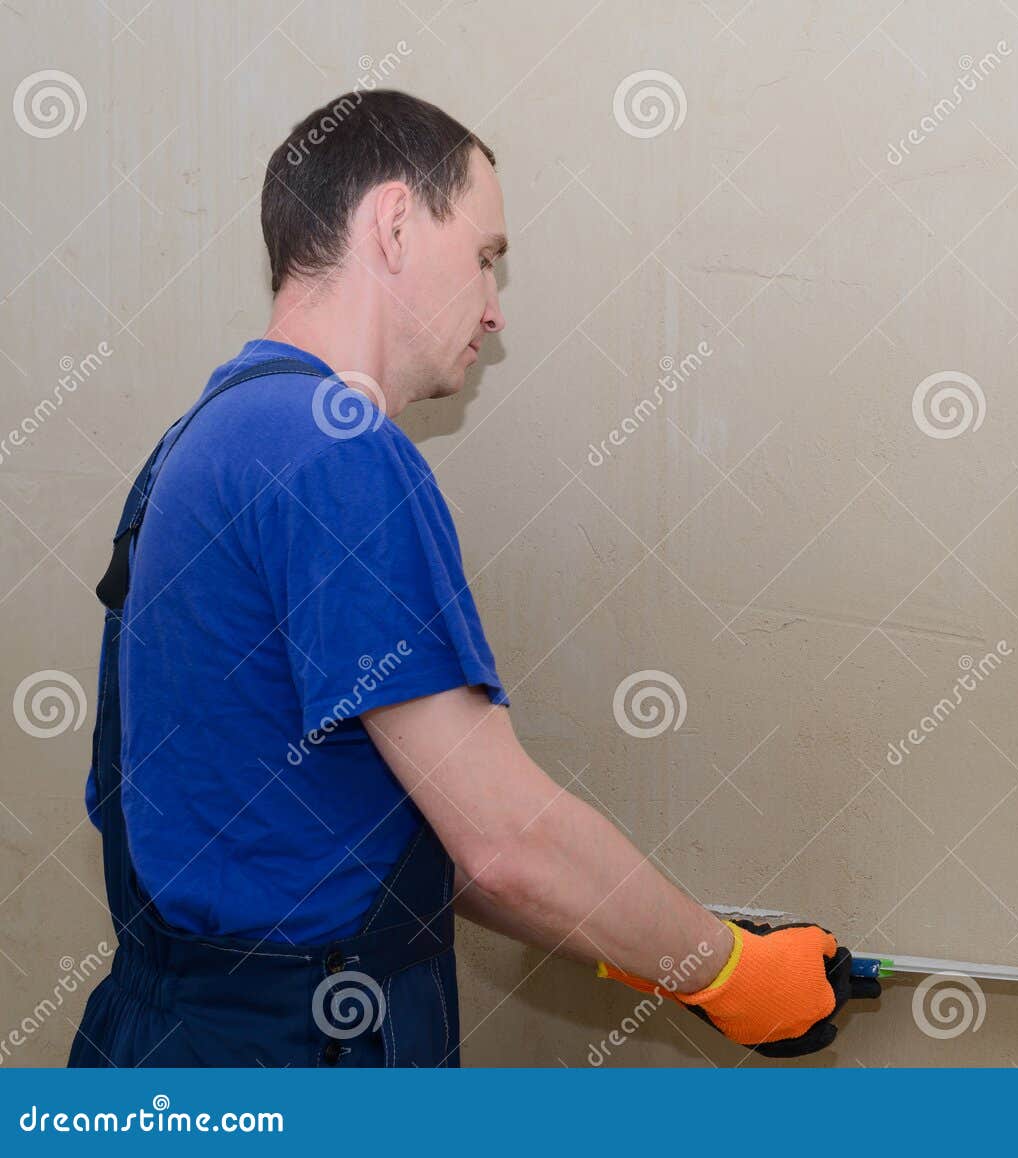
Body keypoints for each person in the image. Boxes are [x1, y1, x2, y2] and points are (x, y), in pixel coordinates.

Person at [70, 89, 874, 1067]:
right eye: (486, 255)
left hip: (169, 1041)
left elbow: (392, 845)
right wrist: (733, 976)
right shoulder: (337, 451)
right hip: (304, 1056)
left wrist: (659, 950)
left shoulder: (206, 439)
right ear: (395, 221)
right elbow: (504, 843)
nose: (493, 308)